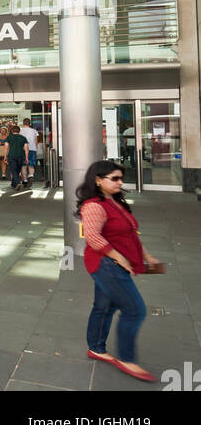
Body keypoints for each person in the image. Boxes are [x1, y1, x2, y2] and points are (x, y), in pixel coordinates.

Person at [76, 161, 161, 381]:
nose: (120, 182)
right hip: (106, 265)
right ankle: (127, 358)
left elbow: (130, 233)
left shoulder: (113, 201)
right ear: (98, 180)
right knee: (135, 310)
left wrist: (145, 256)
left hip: (115, 263)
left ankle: (95, 347)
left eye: (121, 178)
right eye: (114, 178)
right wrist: (119, 258)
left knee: (104, 306)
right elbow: (93, 237)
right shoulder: (94, 205)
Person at [6, 124, 29, 190]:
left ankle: (18, 182)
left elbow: (6, 147)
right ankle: (14, 184)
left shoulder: (9, 137)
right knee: (17, 170)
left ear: (12, 131)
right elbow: (26, 148)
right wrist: (26, 157)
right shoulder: (23, 138)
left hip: (11, 155)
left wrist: (5, 156)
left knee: (13, 170)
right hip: (20, 156)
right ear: (19, 131)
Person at [20, 118, 39, 185]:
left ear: (23, 123)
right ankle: (31, 175)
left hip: (23, 150)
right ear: (30, 124)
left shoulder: (21, 131)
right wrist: (36, 150)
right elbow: (36, 142)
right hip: (32, 149)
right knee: (31, 165)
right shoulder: (34, 131)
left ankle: (25, 180)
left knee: (23, 165)